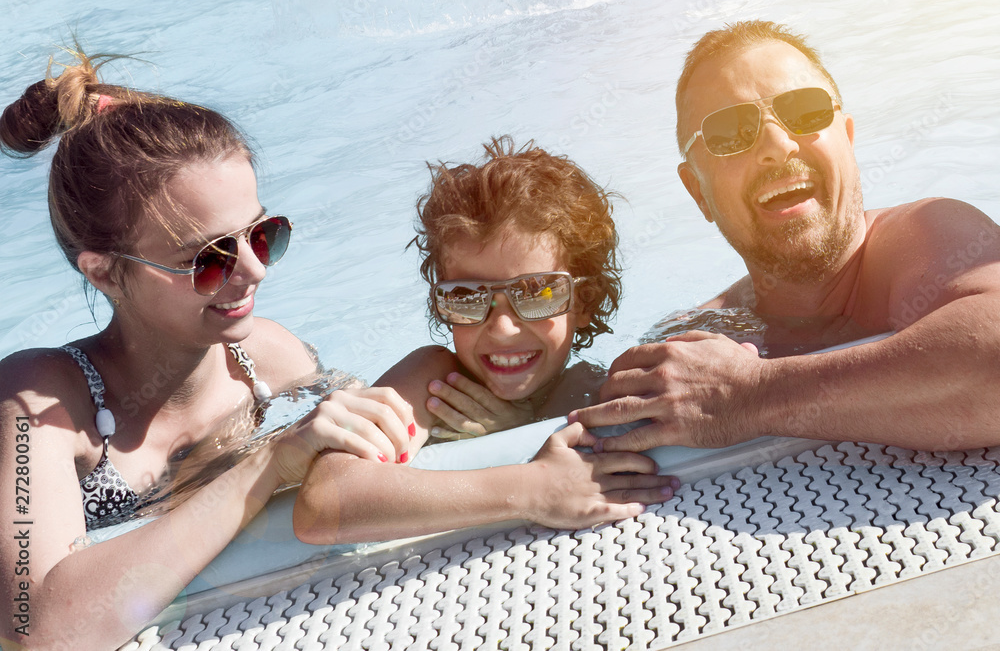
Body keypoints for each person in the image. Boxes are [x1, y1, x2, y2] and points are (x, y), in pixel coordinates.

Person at [0, 51, 412, 651]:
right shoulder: (38, 400)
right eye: (210, 259)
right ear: (106, 273)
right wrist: (270, 463)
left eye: (264, 236)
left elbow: (380, 449)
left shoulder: (271, 361)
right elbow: (36, 627)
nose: (252, 271)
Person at [571, 20, 1000, 453]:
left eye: (804, 110)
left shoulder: (927, 235)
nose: (778, 145)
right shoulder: (697, 338)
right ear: (698, 191)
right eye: (732, 131)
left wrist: (751, 395)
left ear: (848, 140)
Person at [293, 137, 679, 545]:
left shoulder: (591, 391)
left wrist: (521, 431)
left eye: (536, 292)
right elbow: (324, 504)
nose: (502, 329)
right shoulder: (436, 380)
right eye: (466, 297)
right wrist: (533, 487)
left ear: (582, 301)